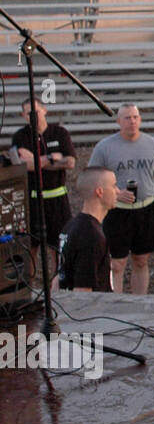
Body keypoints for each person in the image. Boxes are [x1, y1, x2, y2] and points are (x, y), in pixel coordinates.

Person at [87, 104, 154, 295]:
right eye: (127, 118)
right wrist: (115, 192)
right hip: (116, 210)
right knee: (117, 263)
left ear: (140, 119)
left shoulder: (153, 145)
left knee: (141, 260)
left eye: (135, 117)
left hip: (145, 209)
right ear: (118, 121)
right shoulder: (105, 147)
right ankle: (115, 303)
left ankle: (139, 302)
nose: (132, 121)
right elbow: (92, 177)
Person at [9, 97, 76, 284]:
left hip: (58, 201)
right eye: (28, 113)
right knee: (29, 249)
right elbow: (24, 165)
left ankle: (58, 289)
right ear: (23, 116)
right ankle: (29, 290)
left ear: (44, 110)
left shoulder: (60, 133)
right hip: (31, 202)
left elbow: (70, 162)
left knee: (59, 249)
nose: (33, 116)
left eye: (36, 111)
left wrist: (36, 160)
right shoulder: (20, 136)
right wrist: (51, 158)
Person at [58, 167, 117, 293]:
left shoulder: (71, 225)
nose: (117, 191)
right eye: (113, 186)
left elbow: (57, 280)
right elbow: (82, 291)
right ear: (100, 192)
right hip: (92, 305)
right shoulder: (90, 235)